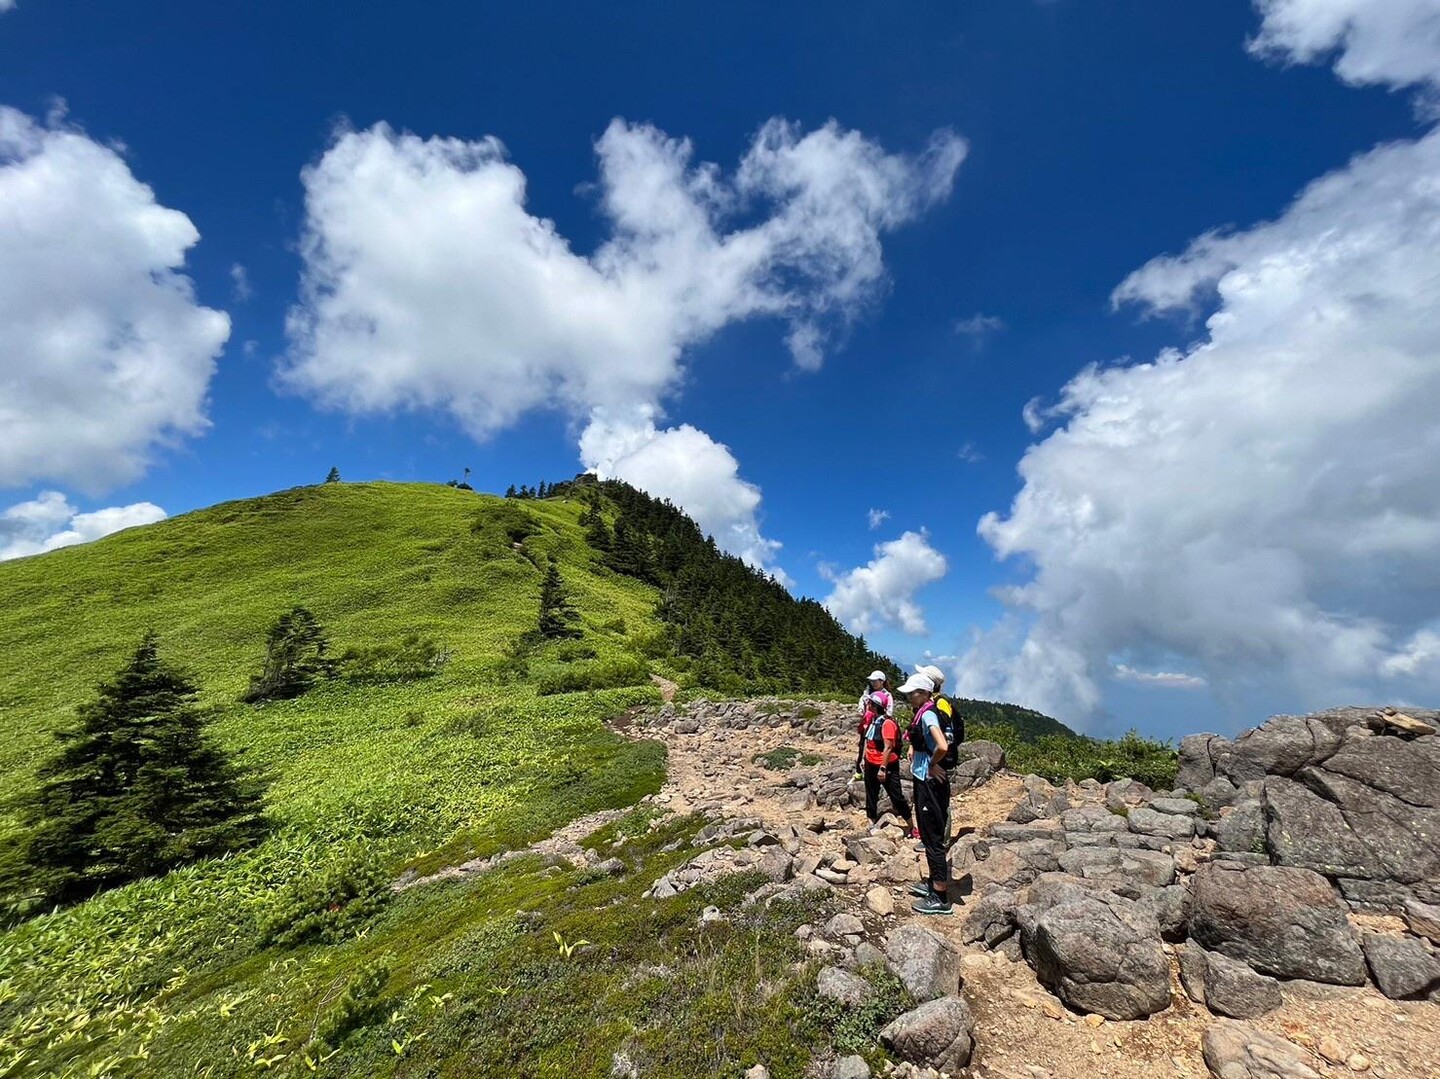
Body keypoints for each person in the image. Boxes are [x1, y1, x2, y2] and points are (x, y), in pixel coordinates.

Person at [897, 672, 953, 915]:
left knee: (932, 839)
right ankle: (933, 884)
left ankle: (940, 897)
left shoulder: (928, 713)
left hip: (930, 782)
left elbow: (942, 745)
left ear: (923, 694)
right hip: (925, 781)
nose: (909, 697)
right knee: (930, 837)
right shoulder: (925, 711)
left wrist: (931, 763)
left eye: (912, 693)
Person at [916, 664, 963, 848]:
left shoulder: (939, 704)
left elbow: (946, 733)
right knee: (935, 798)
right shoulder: (931, 703)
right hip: (935, 757)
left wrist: (937, 760)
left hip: (939, 758)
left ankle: (941, 839)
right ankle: (934, 837)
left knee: (940, 799)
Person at [859, 680, 914, 833]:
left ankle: (910, 825)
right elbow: (868, 741)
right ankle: (871, 821)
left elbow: (888, 747)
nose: (868, 705)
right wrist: (864, 758)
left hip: (885, 765)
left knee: (896, 796)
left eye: (870, 703)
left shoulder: (886, 723)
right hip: (870, 762)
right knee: (871, 794)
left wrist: (882, 768)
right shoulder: (873, 720)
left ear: (876, 706)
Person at [853, 671, 892, 778]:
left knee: (878, 746)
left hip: (879, 724)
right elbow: (862, 702)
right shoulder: (868, 692)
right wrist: (861, 710)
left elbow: (889, 711)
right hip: (867, 723)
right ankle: (860, 770)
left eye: (875, 681)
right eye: (872, 681)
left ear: (882, 681)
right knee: (863, 745)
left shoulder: (887, 695)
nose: (873, 683)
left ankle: (878, 767)